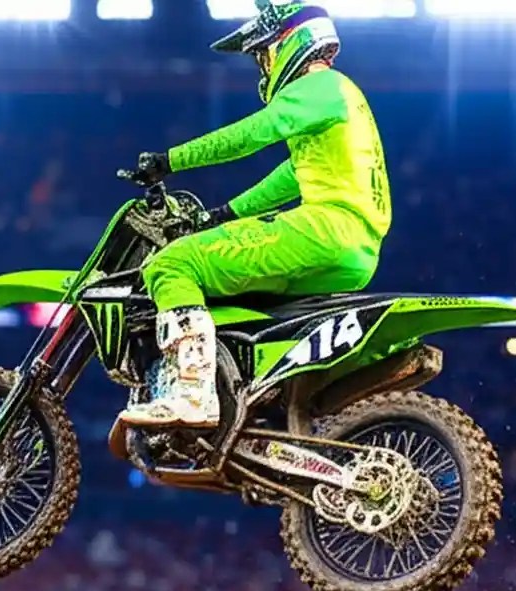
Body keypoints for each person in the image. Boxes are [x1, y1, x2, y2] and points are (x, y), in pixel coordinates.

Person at [118, 0, 392, 428]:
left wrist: (170, 160)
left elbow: (252, 134)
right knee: (236, 296)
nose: (262, 67)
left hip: (322, 232)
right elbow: (291, 176)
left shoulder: (318, 86)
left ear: (287, 42)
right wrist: (224, 214)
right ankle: (251, 408)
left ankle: (192, 393)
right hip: (356, 253)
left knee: (172, 265)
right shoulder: (342, 95)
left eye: (262, 54)